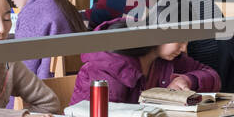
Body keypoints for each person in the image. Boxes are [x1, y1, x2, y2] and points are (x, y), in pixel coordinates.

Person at [70, 22, 220, 104]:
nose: (184, 48)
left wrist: (187, 79)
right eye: (180, 40)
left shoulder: (165, 58)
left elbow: (212, 75)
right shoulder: (110, 68)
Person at [8, 0, 87, 78]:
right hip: (76, 81)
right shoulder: (60, 1)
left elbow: (24, 70)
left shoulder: (31, 13)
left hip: (47, 87)